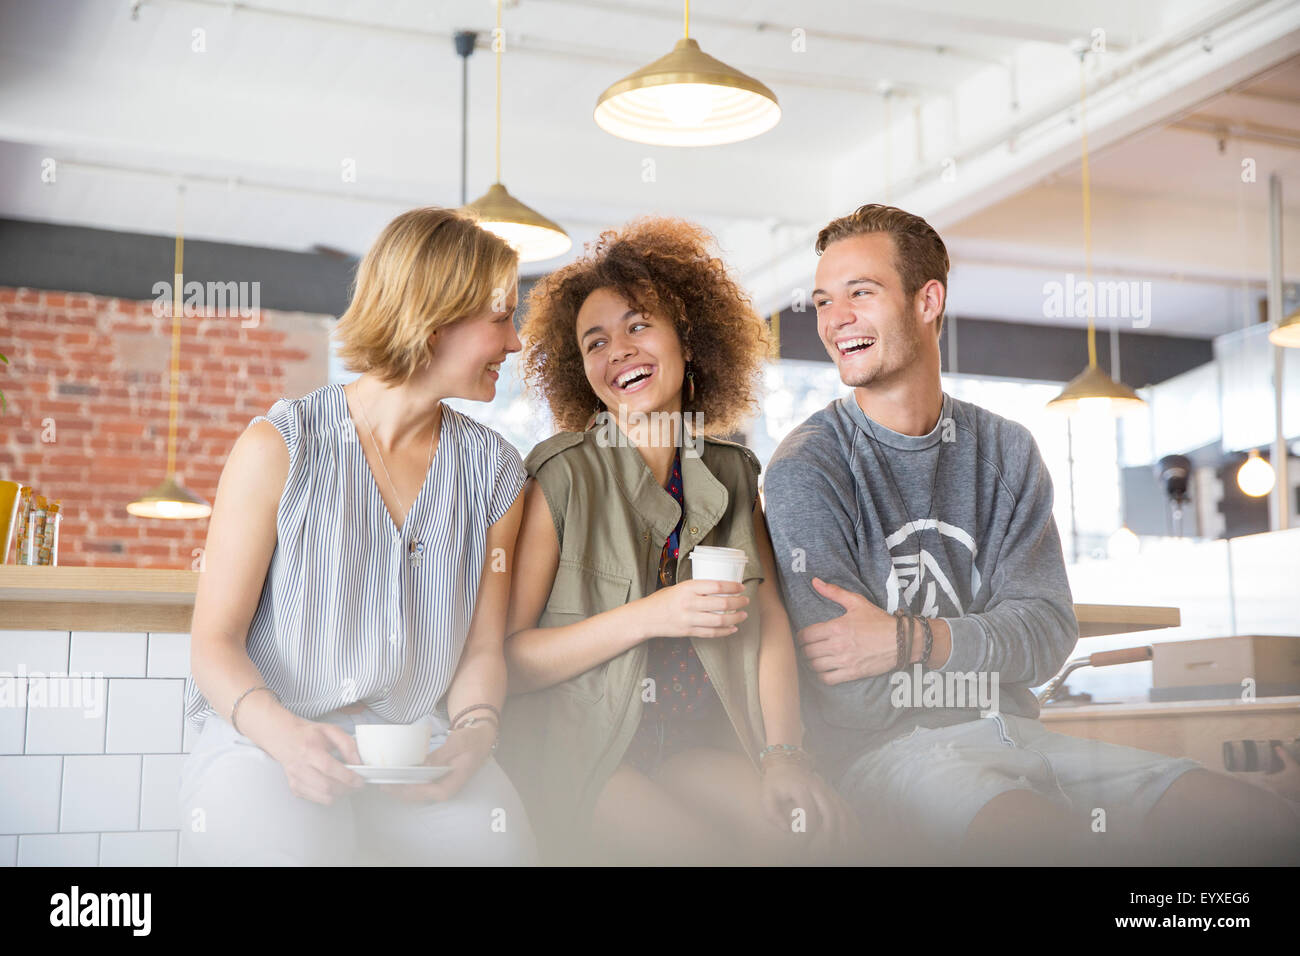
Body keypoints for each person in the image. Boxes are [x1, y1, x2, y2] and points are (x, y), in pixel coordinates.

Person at [762, 203, 1300, 865]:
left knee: (1260, 820)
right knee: (1052, 844)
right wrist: (985, 646)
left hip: (1023, 735)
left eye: (860, 293)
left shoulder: (1004, 451)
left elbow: (1047, 634)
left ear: (927, 300)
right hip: (889, 757)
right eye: (822, 301)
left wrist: (910, 638)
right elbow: (851, 686)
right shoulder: (807, 467)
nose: (834, 319)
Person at [180, 207, 536, 866]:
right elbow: (213, 643)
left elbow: (482, 650)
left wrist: (476, 734)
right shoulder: (280, 444)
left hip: (413, 749)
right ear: (435, 316)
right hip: (265, 738)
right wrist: (286, 738)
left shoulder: (495, 472)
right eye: (500, 318)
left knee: (502, 846)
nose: (515, 343)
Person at [500, 218, 858, 865]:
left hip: (698, 742)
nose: (619, 352)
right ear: (581, 370)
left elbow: (770, 622)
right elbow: (512, 661)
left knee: (808, 835)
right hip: (591, 754)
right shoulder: (561, 472)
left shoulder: (731, 470)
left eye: (639, 326)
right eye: (596, 341)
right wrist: (652, 615)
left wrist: (784, 759)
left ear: (686, 338)